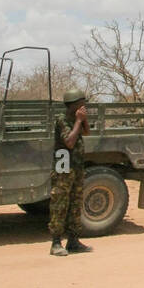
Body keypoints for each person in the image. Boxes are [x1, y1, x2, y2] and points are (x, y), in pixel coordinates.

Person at [49, 89, 92, 256]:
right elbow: (69, 142)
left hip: (76, 165)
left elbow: (87, 132)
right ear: (74, 104)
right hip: (63, 164)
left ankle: (73, 241)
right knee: (60, 202)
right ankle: (56, 242)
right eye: (82, 103)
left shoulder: (77, 119)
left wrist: (83, 120)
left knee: (75, 202)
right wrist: (78, 121)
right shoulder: (62, 120)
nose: (84, 105)